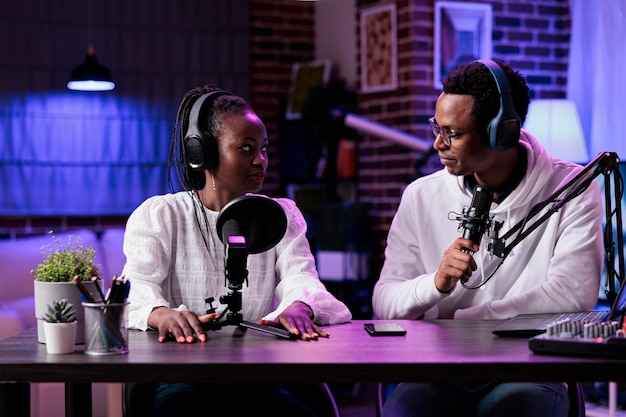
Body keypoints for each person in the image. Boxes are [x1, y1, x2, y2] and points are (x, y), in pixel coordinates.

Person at [372, 60, 604, 417]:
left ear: (504, 132)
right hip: (438, 370)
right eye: (437, 127)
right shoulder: (420, 195)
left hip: (527, 369)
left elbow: (572, 296)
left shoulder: (572, 189)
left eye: (453, 132)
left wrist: (462, 323)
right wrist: (435, 284)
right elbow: (385, 303)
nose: (437, 143)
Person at [123, 84, 352, 416]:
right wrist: (162, 314)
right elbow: (136, 289)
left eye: (264, 148)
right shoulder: (161, 215)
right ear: (203, 154)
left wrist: (300, 305)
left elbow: (301, 278)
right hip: (182, 380)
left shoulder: (281, 214)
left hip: (262, 378)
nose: (261, 160)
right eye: (246, 148)